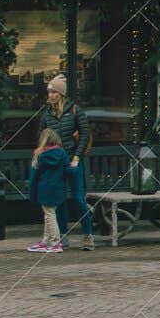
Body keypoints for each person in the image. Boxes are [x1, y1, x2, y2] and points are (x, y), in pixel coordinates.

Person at [40, 74, 94, 251]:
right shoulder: (47, 114)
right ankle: (62, 235)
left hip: (72, 160)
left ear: (61, 94)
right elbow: (41, 135)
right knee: (59, 199)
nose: (50, 95)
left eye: (54, 92)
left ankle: (88, 235)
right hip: (57, 162)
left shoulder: (75, 110)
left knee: (78, 198)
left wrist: (77, 157)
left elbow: (85, 134)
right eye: (49, 92)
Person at [27, 128, 70, 252]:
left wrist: (32, 192)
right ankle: (46, 241)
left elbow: (34, 175)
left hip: (45, 188)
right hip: (59, 188)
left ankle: (55, 242)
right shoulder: (62, 154)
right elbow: (68, 171)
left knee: (50, 215)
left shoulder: (39, 155)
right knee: (49, 214)